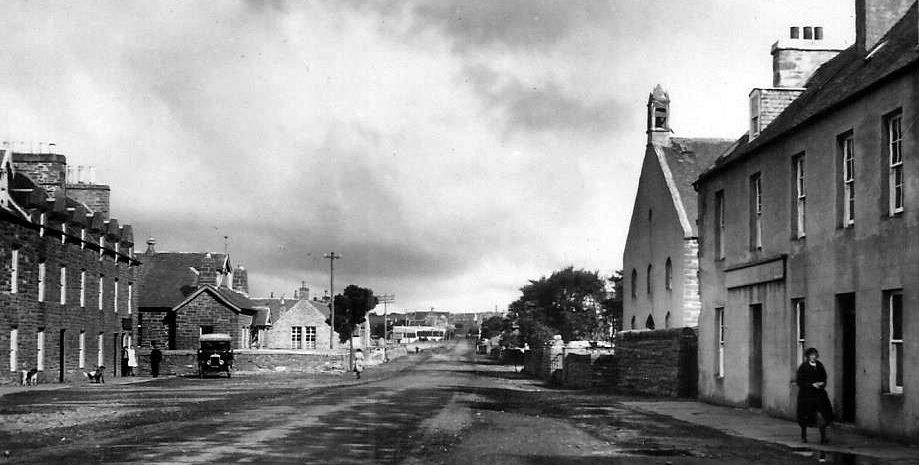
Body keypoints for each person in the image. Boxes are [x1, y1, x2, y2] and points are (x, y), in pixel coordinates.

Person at [796, 347, 834, 443]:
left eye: (814, 355)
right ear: (808, 356)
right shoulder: (803, 367)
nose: (813, 357)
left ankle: (823, 437)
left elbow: (824, 377)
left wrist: (821, 384)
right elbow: (800, 381)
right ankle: (803, 437)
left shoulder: (819, 365)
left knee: (823, 414)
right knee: (805, 415)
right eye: (811, 355)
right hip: (806, 395)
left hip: (819, 394)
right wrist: (811, 385)